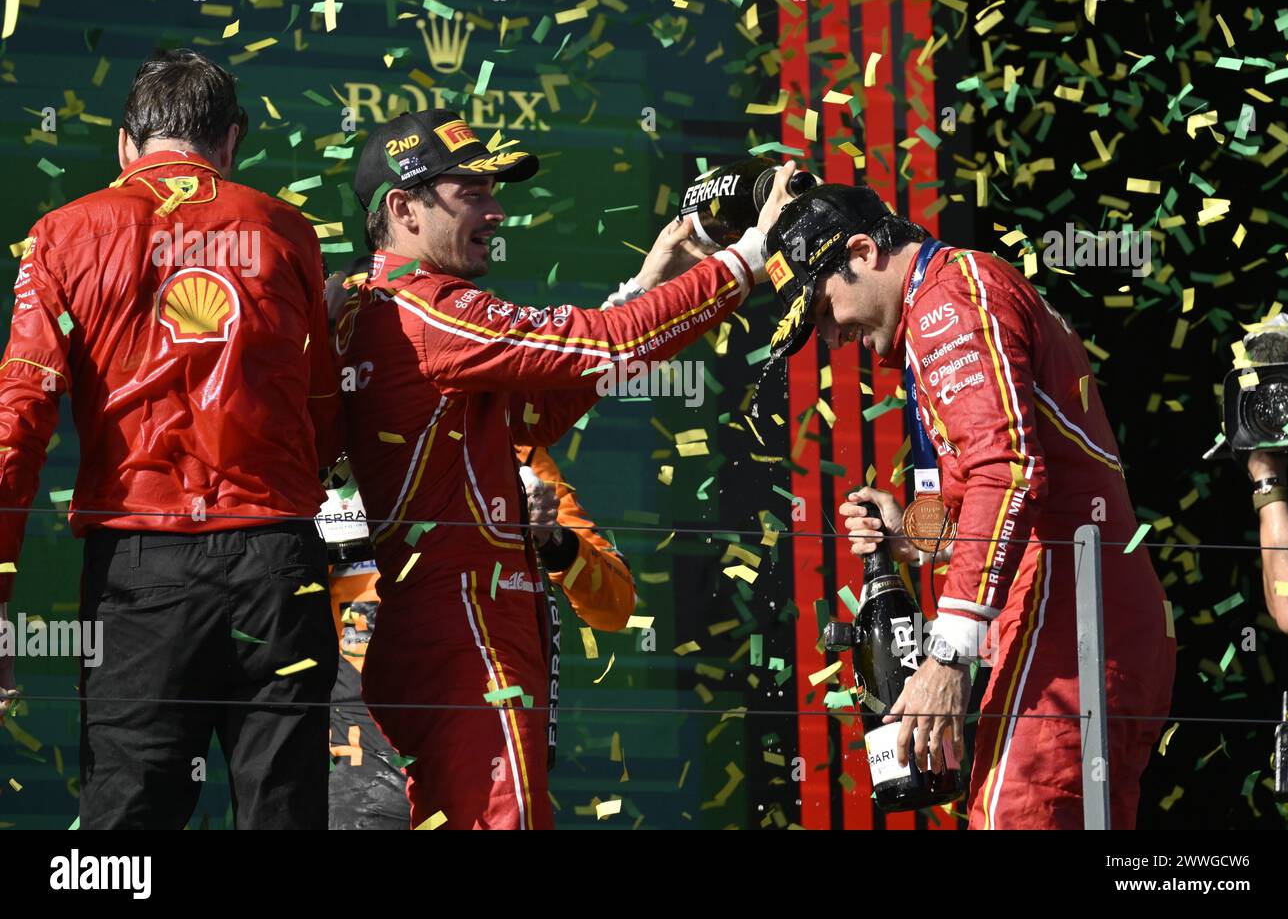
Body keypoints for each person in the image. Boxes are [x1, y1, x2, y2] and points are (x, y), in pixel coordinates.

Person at [336, 110, 786, 829]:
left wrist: (645, 288)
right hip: (468, 636)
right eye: (470, 191)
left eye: (493, 189)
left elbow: (534, 409)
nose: (494, 208)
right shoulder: (425, 309)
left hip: (457, 627)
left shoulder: (391, 308)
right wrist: (749, 257)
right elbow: (596, 349)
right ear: (402, 209)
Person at [758, 183, 1175, 829]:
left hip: (1072, 616)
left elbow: (1006, 474)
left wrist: (948, 655)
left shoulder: (949, 299)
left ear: (864, 251)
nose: (833, 336)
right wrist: (911, 535)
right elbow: (1000, 493)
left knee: (1014, 817)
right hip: (1075, 612)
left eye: (824, 309)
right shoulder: (945, 305)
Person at [0, 49, 341, 828]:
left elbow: (15, 424)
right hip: (279, 561)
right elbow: (324, 412)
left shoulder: (62, 233)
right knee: (285, 816)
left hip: (140, 572)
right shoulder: (286, 229)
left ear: (126, 145)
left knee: (125, 833)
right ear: (232, 141)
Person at [325, 444, 637, 829]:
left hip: (489, 764)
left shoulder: (517, 451)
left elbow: (617, 605)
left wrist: (551, 537)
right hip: (361, 765)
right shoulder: (345, 443)